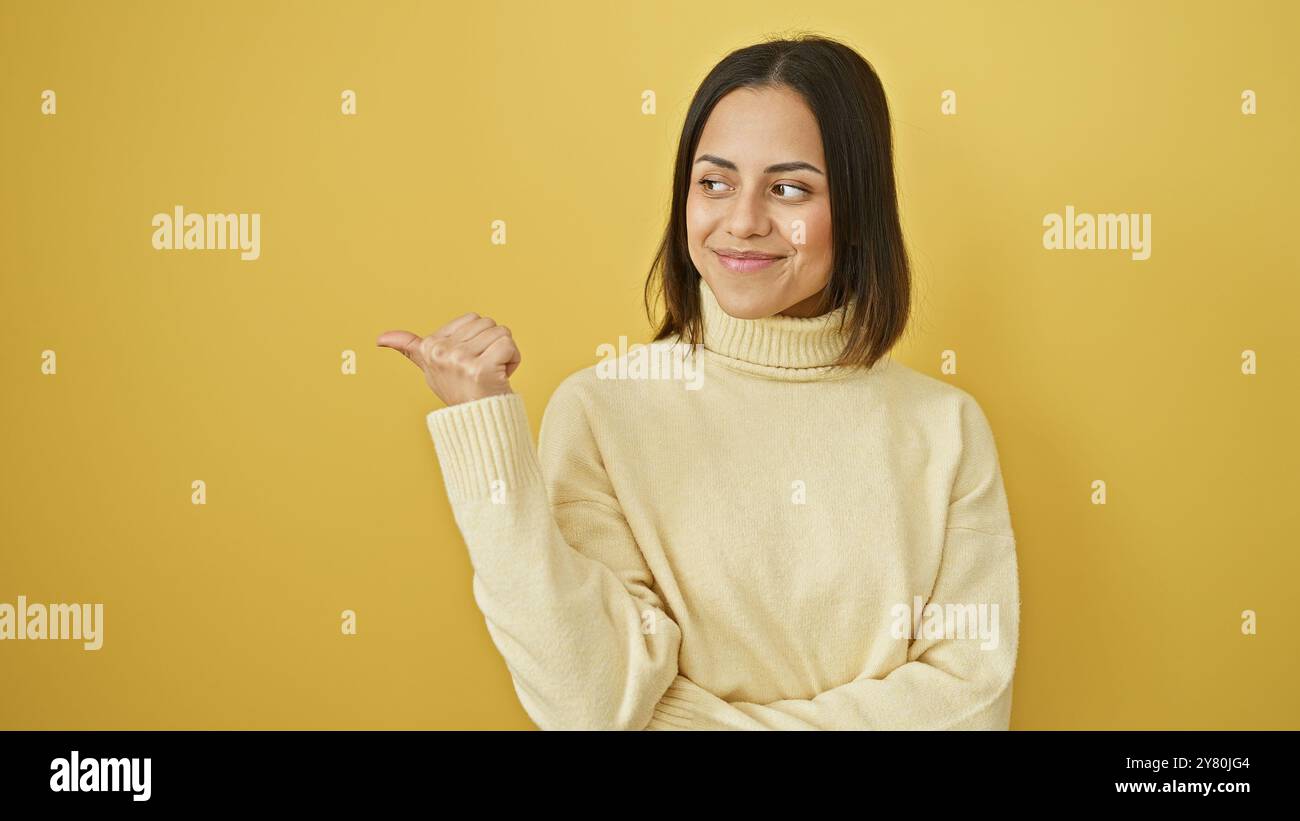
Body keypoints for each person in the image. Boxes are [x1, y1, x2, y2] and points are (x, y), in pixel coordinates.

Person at [378, 33, 1020, 730]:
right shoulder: (601, 413)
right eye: (714, 182)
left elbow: (971, 704)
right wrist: (486, 437)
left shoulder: (946, 428)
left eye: (789, 188)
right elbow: (590, 700)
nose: (742, 222)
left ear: (857, 210)